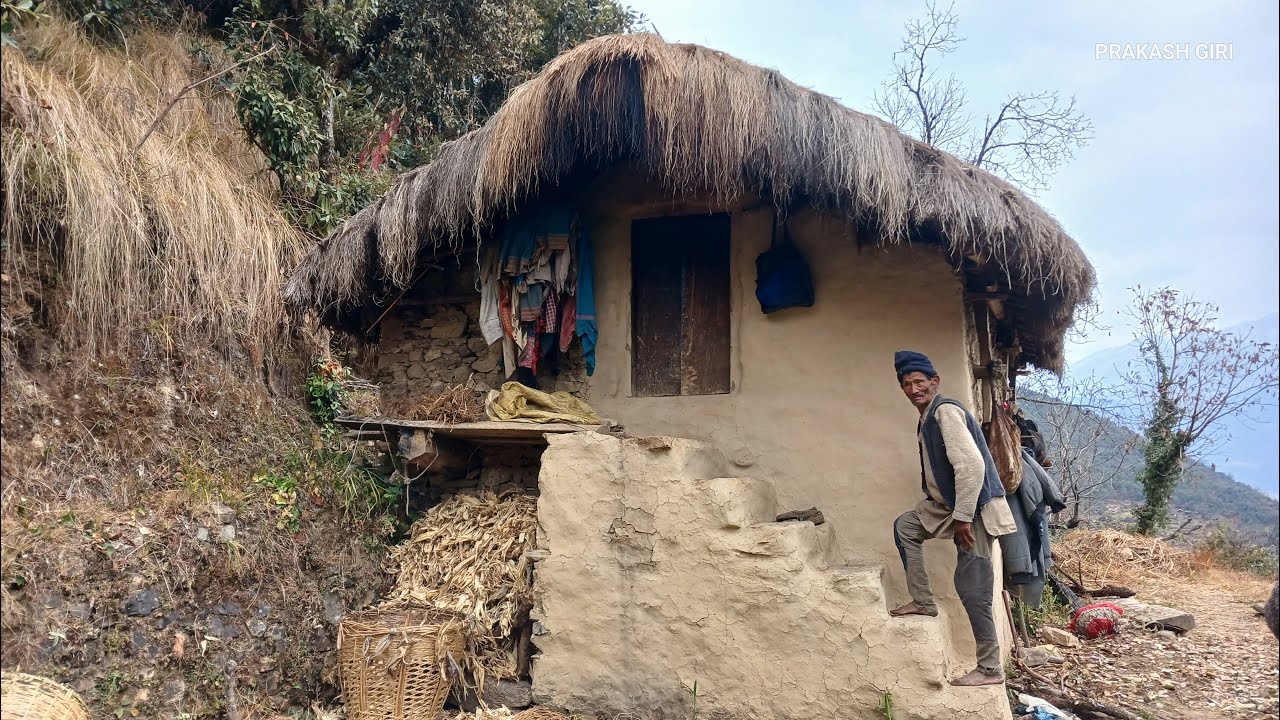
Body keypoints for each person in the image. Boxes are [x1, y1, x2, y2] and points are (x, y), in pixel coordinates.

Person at [889, 350, 1018, 687]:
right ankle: (923, 602)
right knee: (906, 526)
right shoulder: (928, 415)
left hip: (972, 509)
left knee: (972, 587)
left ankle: (990, 669)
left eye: (920, 381)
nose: (914, 388)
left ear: (935, 382)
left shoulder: (945, 411)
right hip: (950, 507)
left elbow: (972, 467)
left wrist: (962, 518)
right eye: (907, 384)